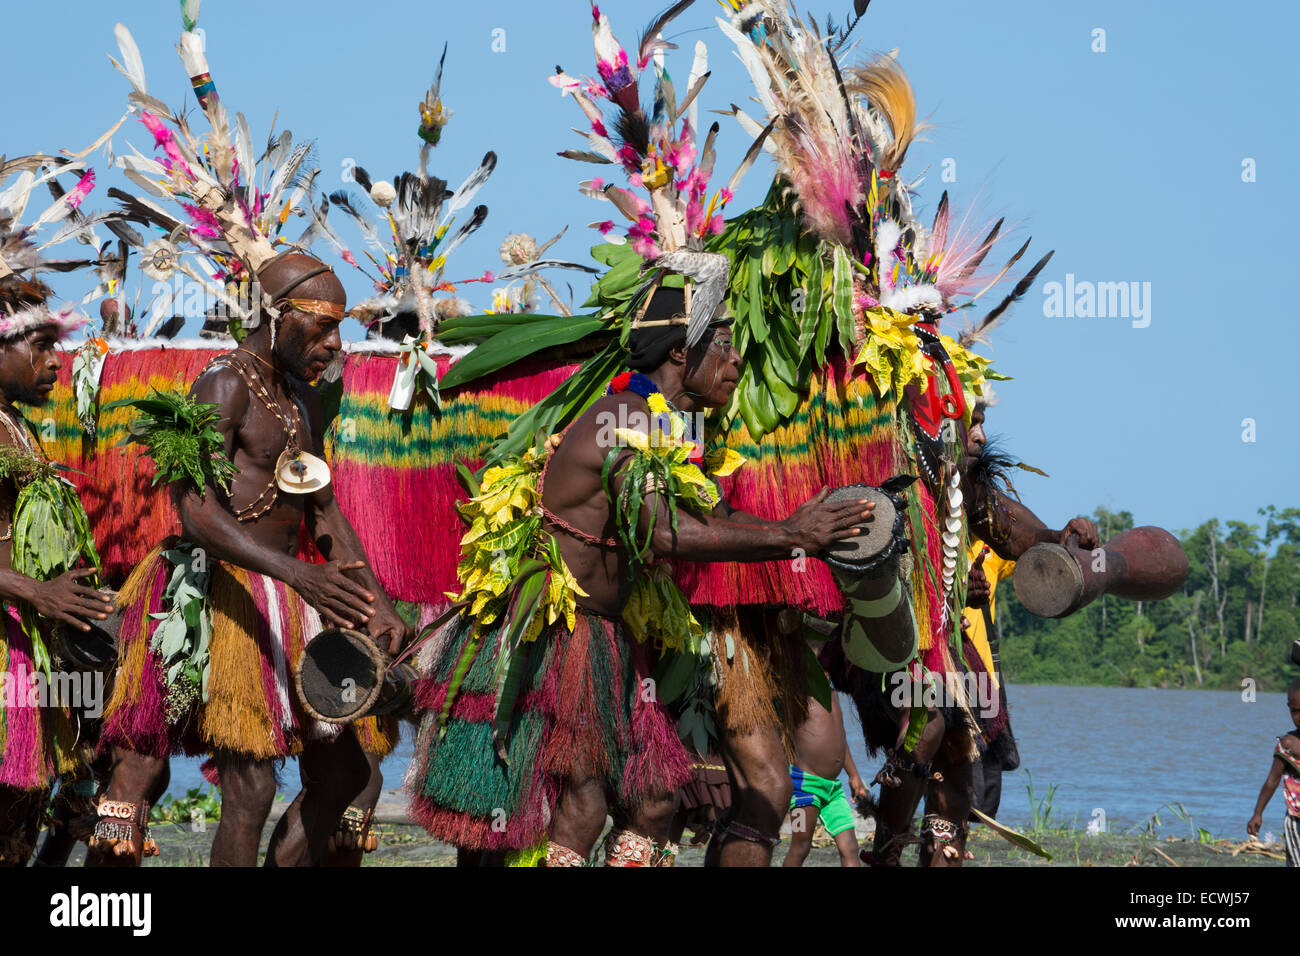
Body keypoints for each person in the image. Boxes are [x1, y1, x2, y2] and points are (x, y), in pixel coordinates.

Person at [408, 278, 873, 866]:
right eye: (723, 344)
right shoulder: (627, 418)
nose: (735, 362)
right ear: (681, 351)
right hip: (559, 634)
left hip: (606, 640)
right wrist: (791, 538)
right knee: (585, 804)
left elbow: (718, 515)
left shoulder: (661, 424)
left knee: (655, 799)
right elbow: (665, 531)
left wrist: (805, 533)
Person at [96, 252, 410, 866]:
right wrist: (300, 576)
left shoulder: (302, 399)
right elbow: (198, 514)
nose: (333, 343)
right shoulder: (223, 382)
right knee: (216, 781)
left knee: (344, 773)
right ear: (276, 314)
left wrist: (376, 602)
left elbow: (324, 514)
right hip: (208, 597)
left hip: (285, 597)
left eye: (339, 327)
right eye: (321, 326)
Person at [0, 271, 116, 865]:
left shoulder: (14, 424)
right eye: (40, 347)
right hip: (9, 641)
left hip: (25, 643)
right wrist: (35, 592)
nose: (55, 363)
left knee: (21, 812)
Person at [783, 643, 864, 867]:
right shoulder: (798, 692)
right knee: (800, 845)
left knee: (850, 847)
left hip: (833, 789)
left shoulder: (832, 692)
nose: (829, 670)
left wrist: (854, 776)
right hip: (803, 787)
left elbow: (840, 738)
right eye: (824, 664)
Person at [1246, 677, 1300, 865]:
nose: (1299, 717)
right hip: (1296, 819)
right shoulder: (1287, 744)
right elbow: (1272, 780)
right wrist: (1257, 813)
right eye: (1295, 711)